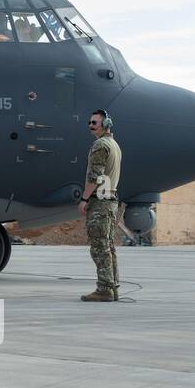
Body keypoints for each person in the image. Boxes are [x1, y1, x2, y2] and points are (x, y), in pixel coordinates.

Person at [78, 111, 122, 301]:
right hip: (110, 200)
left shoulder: (100, 145)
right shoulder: (114, 144)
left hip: (100, 201)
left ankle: (104, 289)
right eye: (89, 122)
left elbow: (94, 176)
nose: (90, 125)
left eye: (94, 122)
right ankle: (112, 287)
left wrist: (84, 198)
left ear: (105, 124)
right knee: (108, 246)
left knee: (99, 247)